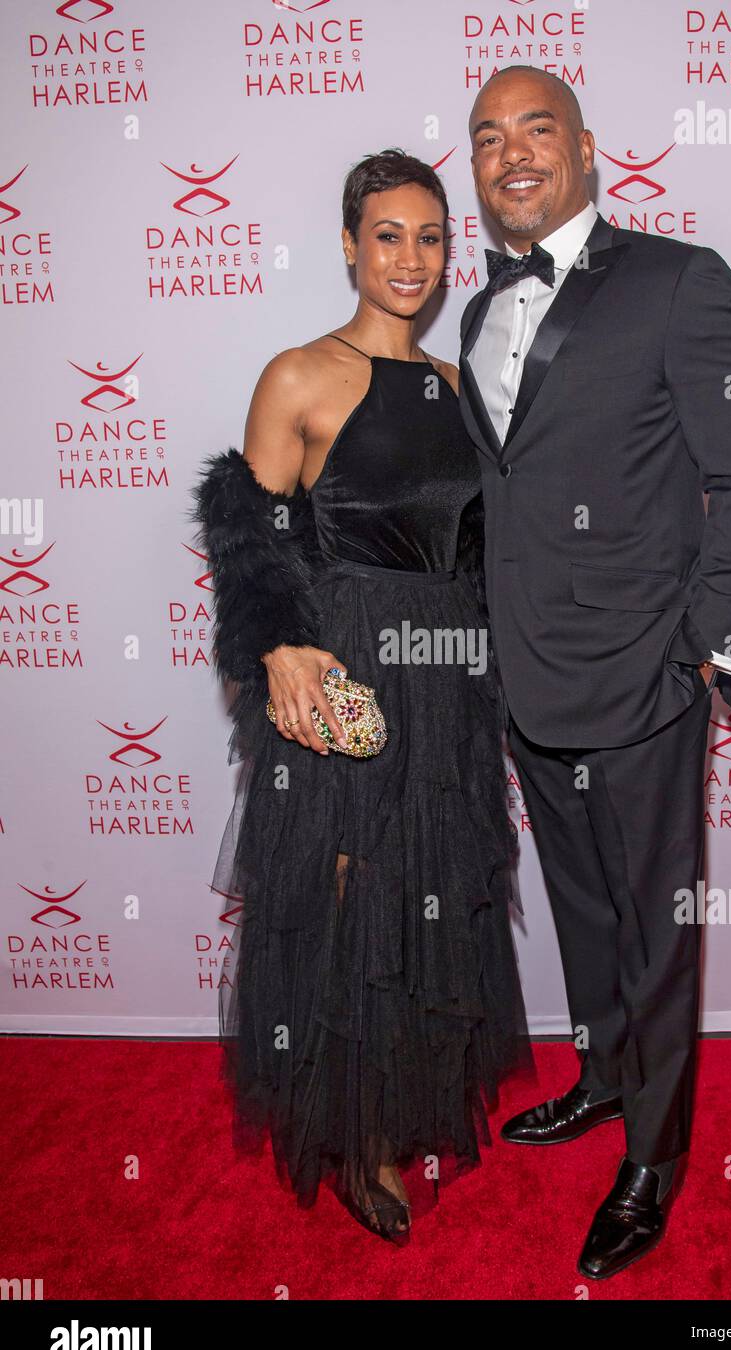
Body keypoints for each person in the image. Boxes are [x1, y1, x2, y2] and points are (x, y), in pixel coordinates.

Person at [459, 66, 731, 1279]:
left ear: (586, 151)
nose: (511, 155)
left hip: (642, 677)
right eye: (487, 139)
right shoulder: (477, 309)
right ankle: (604, 1078)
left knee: (654, 925)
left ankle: (652, 1156)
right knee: (585, 908)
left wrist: (706, 651)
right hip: (527, 676)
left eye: (534, 129)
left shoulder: (675, 280)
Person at [190, 149, 533, 1243]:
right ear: (348, 245)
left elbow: (480, 549)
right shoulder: (298, 374)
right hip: (341, 666)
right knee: (346, 891)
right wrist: (280, 648)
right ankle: (353, 1129)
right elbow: (249, 535)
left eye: (429, 238)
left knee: (428, 883)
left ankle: (411, 1098)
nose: (409, 258)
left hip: (446, 673)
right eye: (386, 234)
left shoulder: (453, 387)